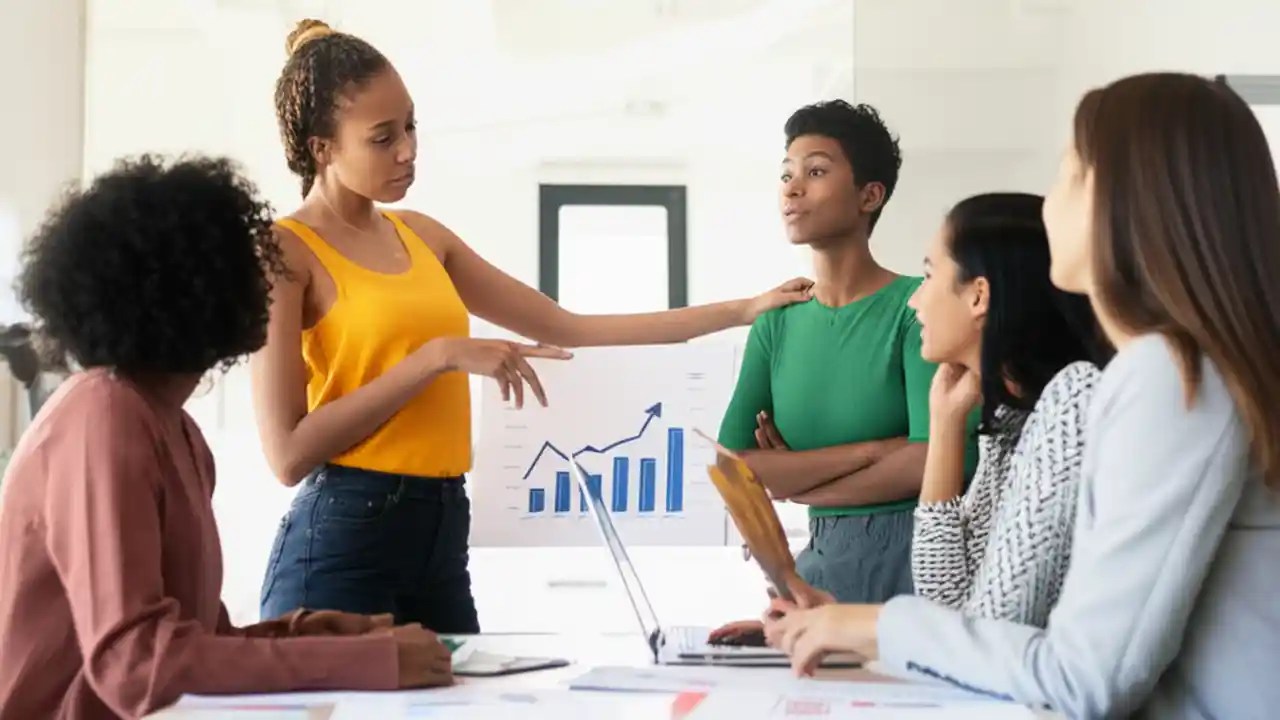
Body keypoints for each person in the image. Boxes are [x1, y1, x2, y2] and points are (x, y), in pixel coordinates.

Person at [255, 19, 812, 633]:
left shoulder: (423, 236)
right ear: (321, 149)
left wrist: (739, 311)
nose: (409, 150)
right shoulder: (286, 252)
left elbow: (568, 327)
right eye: (383, 138)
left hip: (440, 528)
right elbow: (288, 454)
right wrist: (437, 356)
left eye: (411, 126)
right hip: (342, 536)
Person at [765, 73, 1280, 719]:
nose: (1048, 204)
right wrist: (862, 630)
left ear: (1125, 202)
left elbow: (1081, 677)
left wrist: (874, 629)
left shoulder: (1167, 376)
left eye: (1069, 175)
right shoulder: (1162, 372)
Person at [0, 156, 454, 720]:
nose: (263, 279)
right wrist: (369, 663)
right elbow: (137, 666)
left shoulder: (174, 430)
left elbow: (194, 640)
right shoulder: (103, 415)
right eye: (244, 263)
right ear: (191, 287)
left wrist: (307, 635)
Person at [713, 100, 978, 618]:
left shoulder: (917, 309)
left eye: (815, 171)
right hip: (815, 576)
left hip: (919, 569)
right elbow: (733, 467)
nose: (792, 188)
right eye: (786, 174)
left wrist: (797, 481)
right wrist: (874, 452)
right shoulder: (777, 322)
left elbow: (937, 459)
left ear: (869, 195)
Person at [908, 192, 1110, 626]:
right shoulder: (1011, 420)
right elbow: (945, 599)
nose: (914, 301)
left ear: (979, 295)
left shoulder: (1071, 406)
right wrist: (944, 424)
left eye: (928, 276)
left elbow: (985, 627)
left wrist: (862, 628)